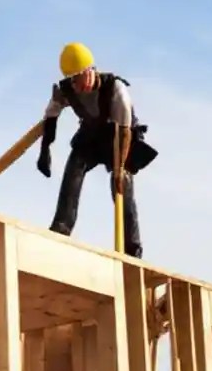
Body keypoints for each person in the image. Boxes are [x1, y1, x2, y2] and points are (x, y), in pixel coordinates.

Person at [35, 42, 157, 258]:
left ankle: (132, 249)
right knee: (74, 167)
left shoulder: (116, 89)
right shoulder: (66, 91)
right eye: (72, 80)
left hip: (119, 136)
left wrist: (119, 168)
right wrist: (45, 150)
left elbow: (125, 131)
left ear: (90, 71)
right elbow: (51, 117)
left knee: (122, 185)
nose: (77, 85)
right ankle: (61, 227)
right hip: (92, 136)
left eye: (79, 78)